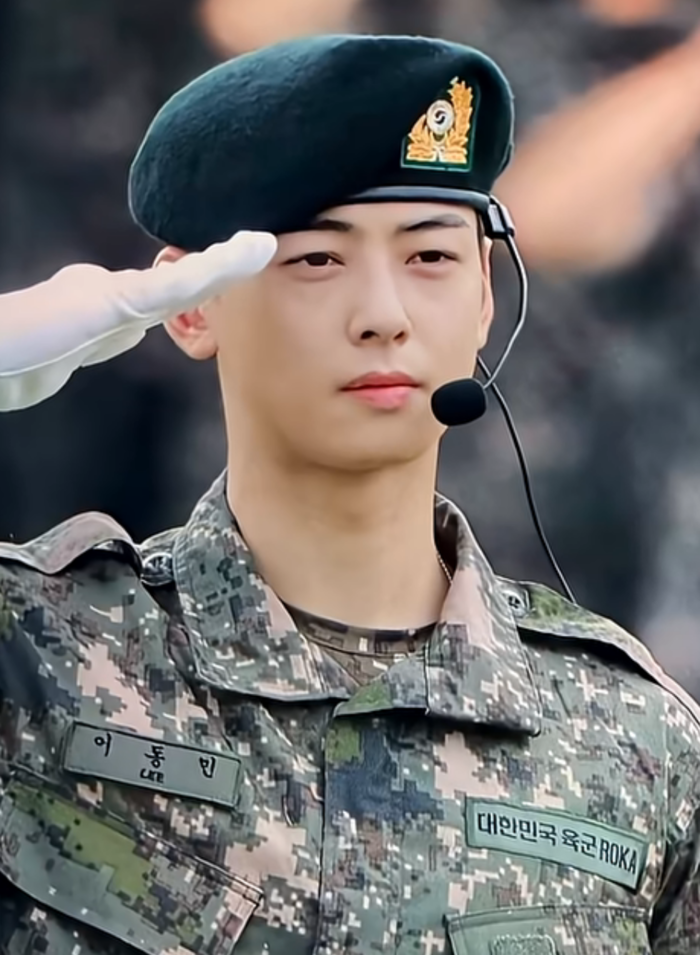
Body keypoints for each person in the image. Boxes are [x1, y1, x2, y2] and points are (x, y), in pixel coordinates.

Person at [0, 33, 699, 955]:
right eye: (317, 261)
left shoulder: (635, 738)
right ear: (192, 305)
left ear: (486, 296)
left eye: (431, 257)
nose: (383, 315)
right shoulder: (37, 655)